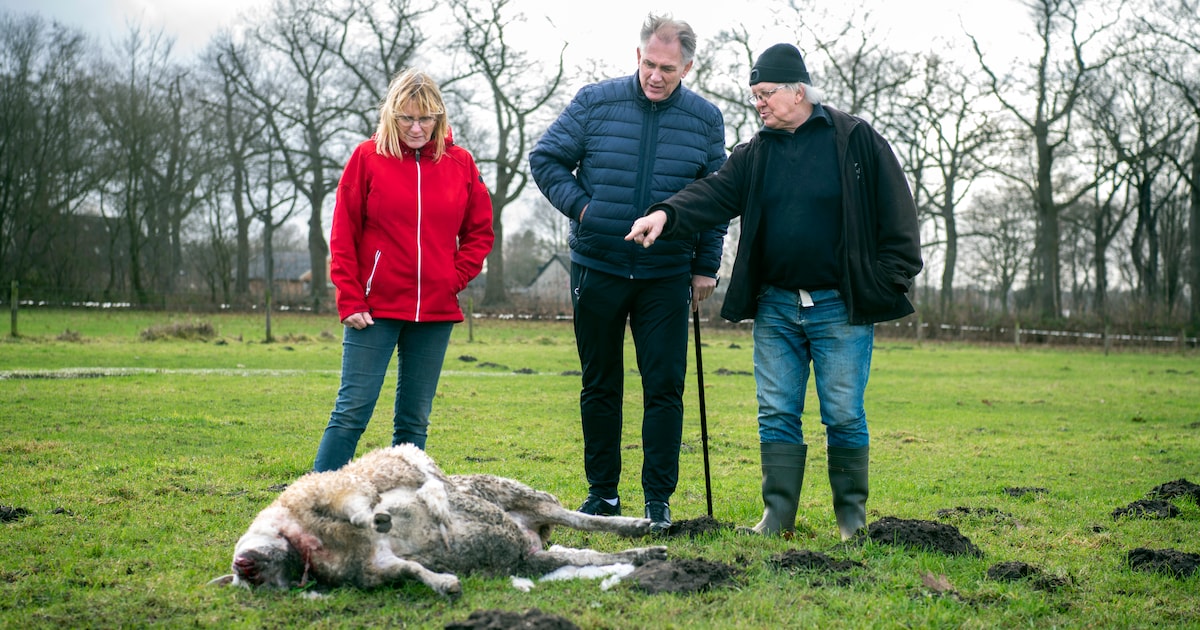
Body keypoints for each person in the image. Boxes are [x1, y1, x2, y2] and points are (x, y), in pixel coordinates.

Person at [625, 43, 923, 540]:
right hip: (777, 306)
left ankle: (852, 520)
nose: (758, 104)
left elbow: (898, 211)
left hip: (840, 307)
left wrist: (888, 278)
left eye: (765, 94)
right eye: (754, 95)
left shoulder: (855, 140)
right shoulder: (755, 152)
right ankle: (777, 517)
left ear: (797, 91)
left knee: (844, 413)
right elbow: (714, 194)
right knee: (777, 411)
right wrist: (666, 214)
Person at [529, 14, 728, 534]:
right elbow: (546, 158)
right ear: (637, 55)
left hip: (667, 274)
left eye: (667, 68)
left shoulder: (706, 119)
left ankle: (657, 499)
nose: (655, 75)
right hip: (599, 265)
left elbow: (714, 197)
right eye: (648, 63)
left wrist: (705, 265)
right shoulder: (595, 102)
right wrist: (584, 209)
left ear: (687, 67)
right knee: (600, 384)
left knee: (665, 387)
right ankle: (603, 494)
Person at [312, 68, 494, 472]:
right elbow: (342, 234)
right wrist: (350, 298)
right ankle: (311, 507)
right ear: (391, 115)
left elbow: (480, 232)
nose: (416, 127)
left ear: (439, 117)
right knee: (351, 412)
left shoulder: (461, 163)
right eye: (406, 118)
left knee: (414, 421)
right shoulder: (367, 158)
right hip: (371, 311)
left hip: (435, 311)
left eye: (425, 118)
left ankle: (404, 509)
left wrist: (452, 277)